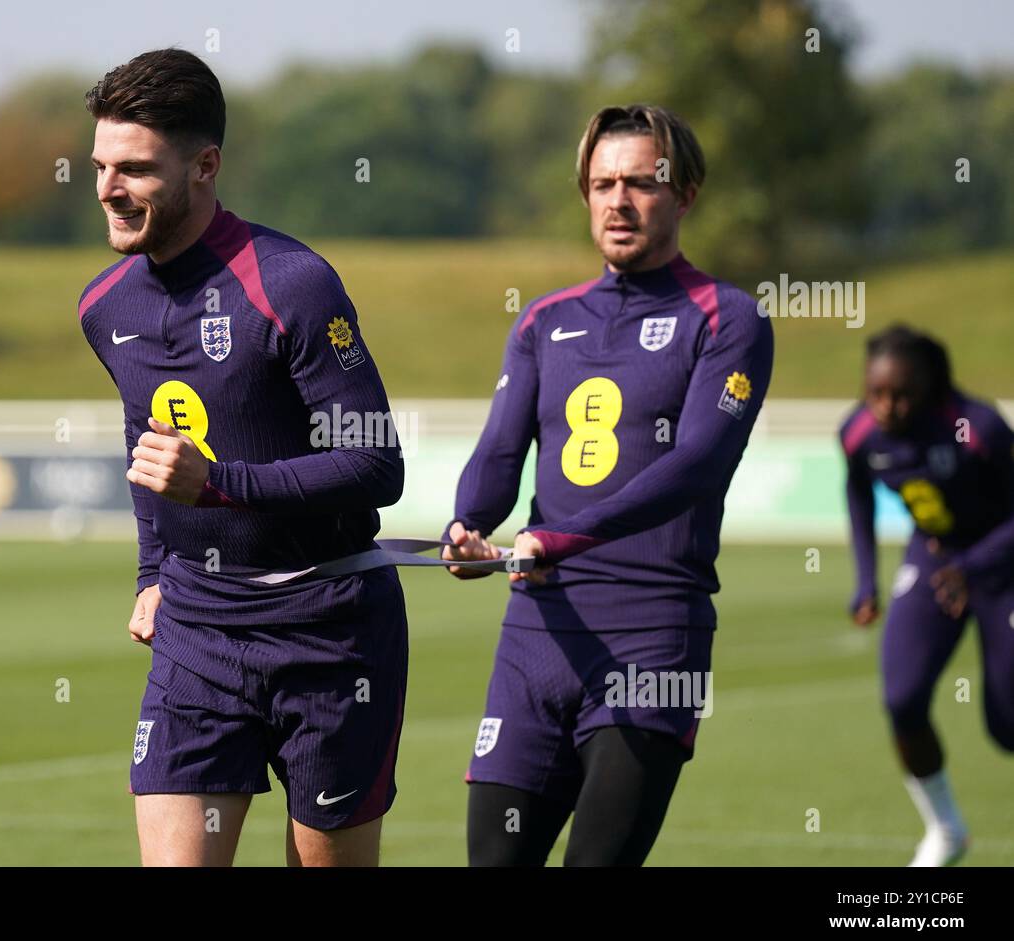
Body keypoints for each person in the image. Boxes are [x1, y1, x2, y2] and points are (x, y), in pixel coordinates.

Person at [78, 49, 408, 866]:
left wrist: (219, 485)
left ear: (205, 165)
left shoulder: (293, 284)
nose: (109, 190)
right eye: (99, 166)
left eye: (135, 169)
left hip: (328, 630)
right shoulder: (103, 305)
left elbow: (376, 468)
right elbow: (147, 452)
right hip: (198, 628)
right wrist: (153, 573)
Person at [443, 104, 773, 866]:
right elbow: (499, 453)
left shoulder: (730, 319)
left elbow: (698, 462)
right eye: (601, 184)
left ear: (685, 193)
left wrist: (563, 537)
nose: (618, 201)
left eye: (640, 183)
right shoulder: (541, 320)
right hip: (537, 634)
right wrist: (467, 526)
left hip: (655, 637)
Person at [840, 324, 1014, 866]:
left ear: (932, 386)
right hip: (936, 560)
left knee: (1007, 728)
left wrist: (975, 564)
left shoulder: (976, 426)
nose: (886, 407)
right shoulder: (860, 432)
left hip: (1001, 562)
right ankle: (946, 829)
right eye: (876, 393)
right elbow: (858, 492)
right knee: (902, 698)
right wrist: (866, 581)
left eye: (901, 394)